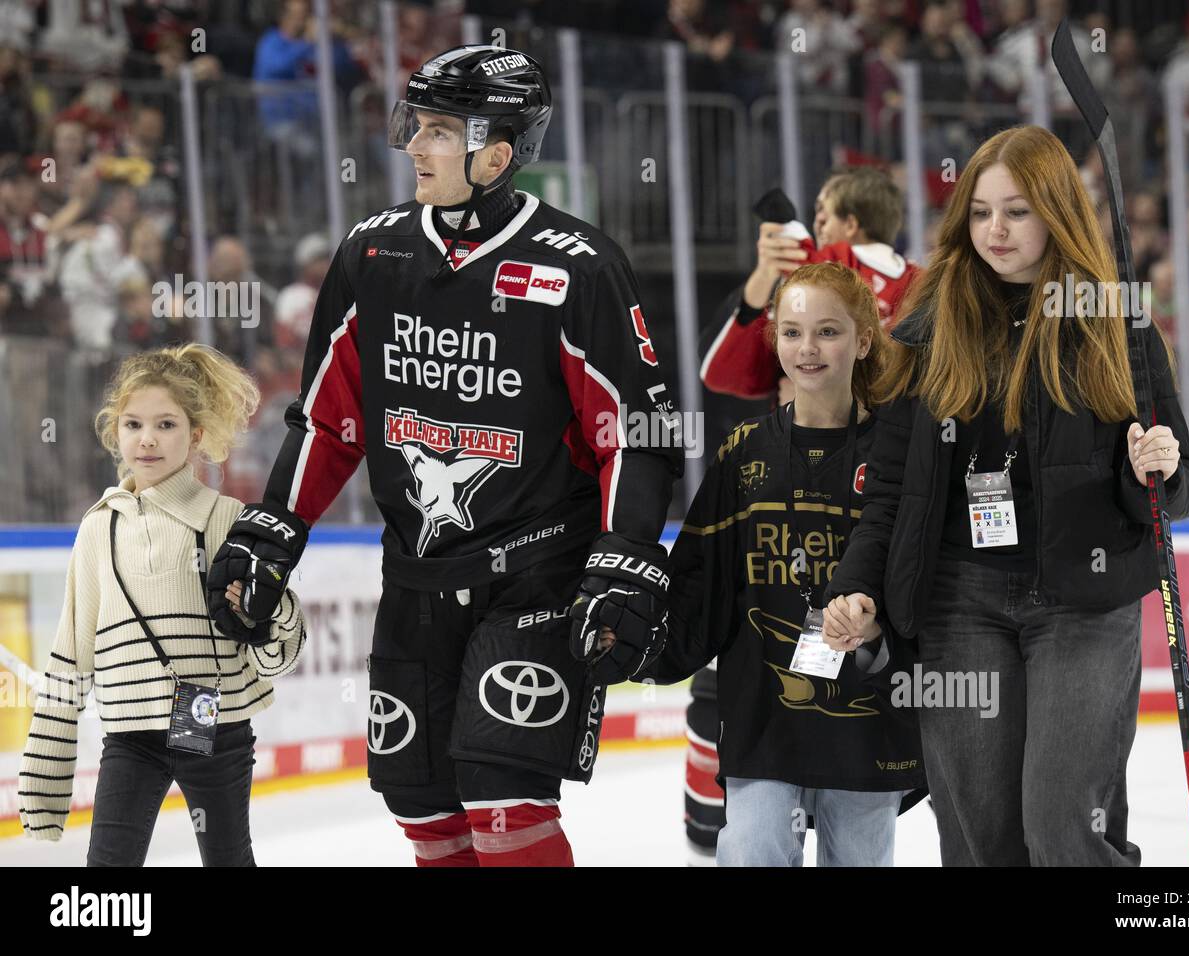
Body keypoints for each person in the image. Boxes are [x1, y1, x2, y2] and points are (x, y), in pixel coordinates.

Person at [205, 46, 683, 867]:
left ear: (496, 154)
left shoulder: (577, 268)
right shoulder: (372, 255)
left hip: (539, 574)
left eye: (436, 131)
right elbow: (328, 420)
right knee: (418, 799)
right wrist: (272, 528)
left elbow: (636, 432)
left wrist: (626, 561)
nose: (414, 146)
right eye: (414, 125)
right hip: (416, 575)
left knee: (503, 795)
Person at [822, 125, 1189, 866]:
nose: (995, 230)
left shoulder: (1115, 324)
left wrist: (1153, 465)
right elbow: (891, 489)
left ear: (1057, 212)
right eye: (982, 211)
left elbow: (1169, 490)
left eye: (1018, 211)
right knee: (979, 836)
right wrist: (858, 587)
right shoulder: (927, 330)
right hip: (959, 601)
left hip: (1083, 603)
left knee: (1062, 827)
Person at [640, 262, 925, 867]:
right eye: (792, 332)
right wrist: (637, 639)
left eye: (828, 331)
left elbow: (923, 580)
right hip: (764, 715)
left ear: (864, 339)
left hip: (867, 716)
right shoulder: (744, 452)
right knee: (749, 852)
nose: (808, 348)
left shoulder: (899, 454)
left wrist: (880, 628)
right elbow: (699, 584)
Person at [17, 344, 306, 865]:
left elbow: (276, 656)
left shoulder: (226, 518)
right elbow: (70, 657)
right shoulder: (97, 528)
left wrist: (268, 613)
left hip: (214, 726)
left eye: (166, 424)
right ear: (116, 431)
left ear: (195, 434)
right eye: (132, 424)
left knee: (229, 860)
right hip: (131, 736)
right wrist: (43, 783)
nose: (147, 438)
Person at [700, 166, 921, 401]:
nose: (816, 226)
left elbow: (727, 373)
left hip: (817, 429)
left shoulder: (811, 276)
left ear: (850, 225)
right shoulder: (923, 281)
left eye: (823, 216)